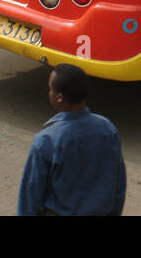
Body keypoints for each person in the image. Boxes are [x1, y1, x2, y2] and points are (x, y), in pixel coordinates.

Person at [17, 64, 126, 215]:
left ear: (59, 98)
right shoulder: (108, 129)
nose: (49, 92)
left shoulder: (47, 140)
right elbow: (119, 185)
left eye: (50, 89)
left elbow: (31, 196)